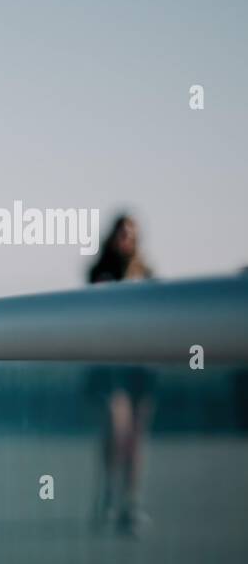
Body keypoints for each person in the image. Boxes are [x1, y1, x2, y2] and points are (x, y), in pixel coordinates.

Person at [86, 214, 156, 535]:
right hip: (110, 365)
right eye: (122, 233)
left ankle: (131, 501)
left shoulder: (148, 273)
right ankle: (109, 495)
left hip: (139, 365)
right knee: (116, 428)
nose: (126, 239)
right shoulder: (100, 272)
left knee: (136, 438)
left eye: (131, 234)